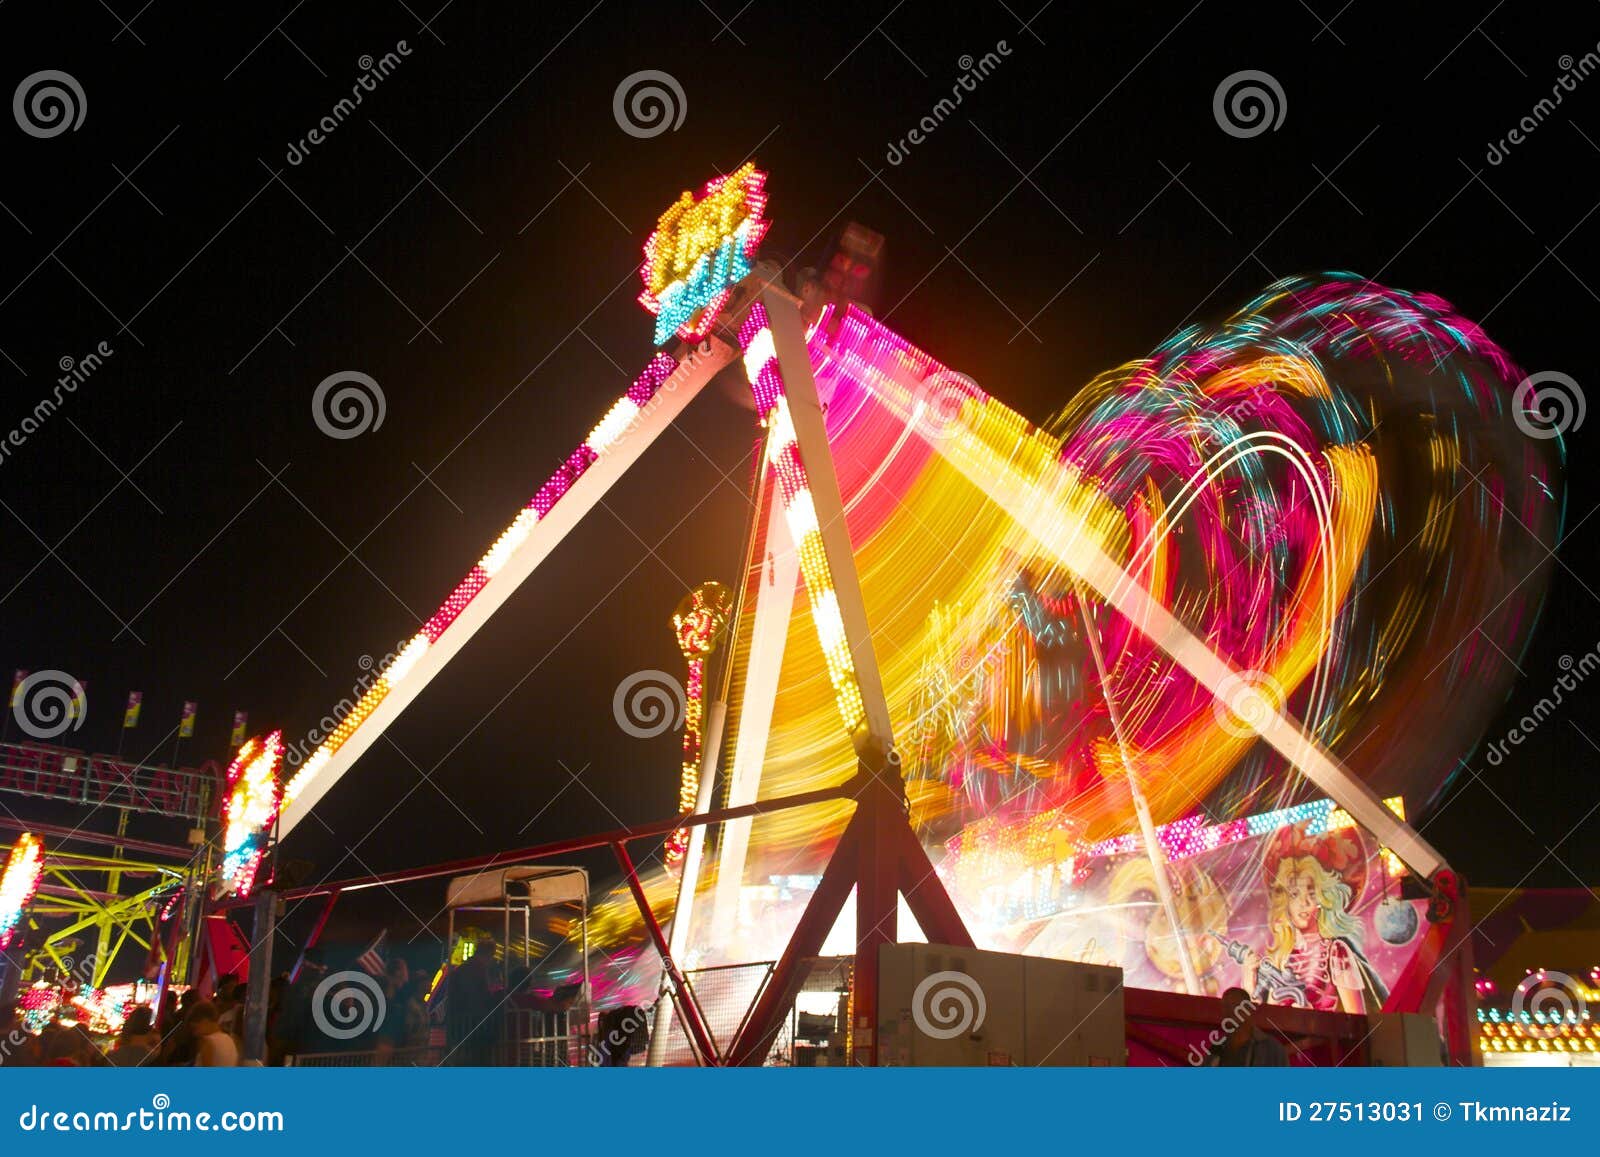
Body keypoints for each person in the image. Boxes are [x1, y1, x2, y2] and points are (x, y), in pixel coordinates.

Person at [1204, 987, 1287, 1066]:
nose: (1229, 1011)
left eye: (1234, 1005)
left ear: (1248, 1009)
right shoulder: (1216, 1048)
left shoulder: (1272, 1049)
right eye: (1225, 1006)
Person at [188, 1001, 239, 1067]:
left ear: (204, 1021)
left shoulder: (207, 1042)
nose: (195, 1034)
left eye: (195, 1028)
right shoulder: (229, 1039)